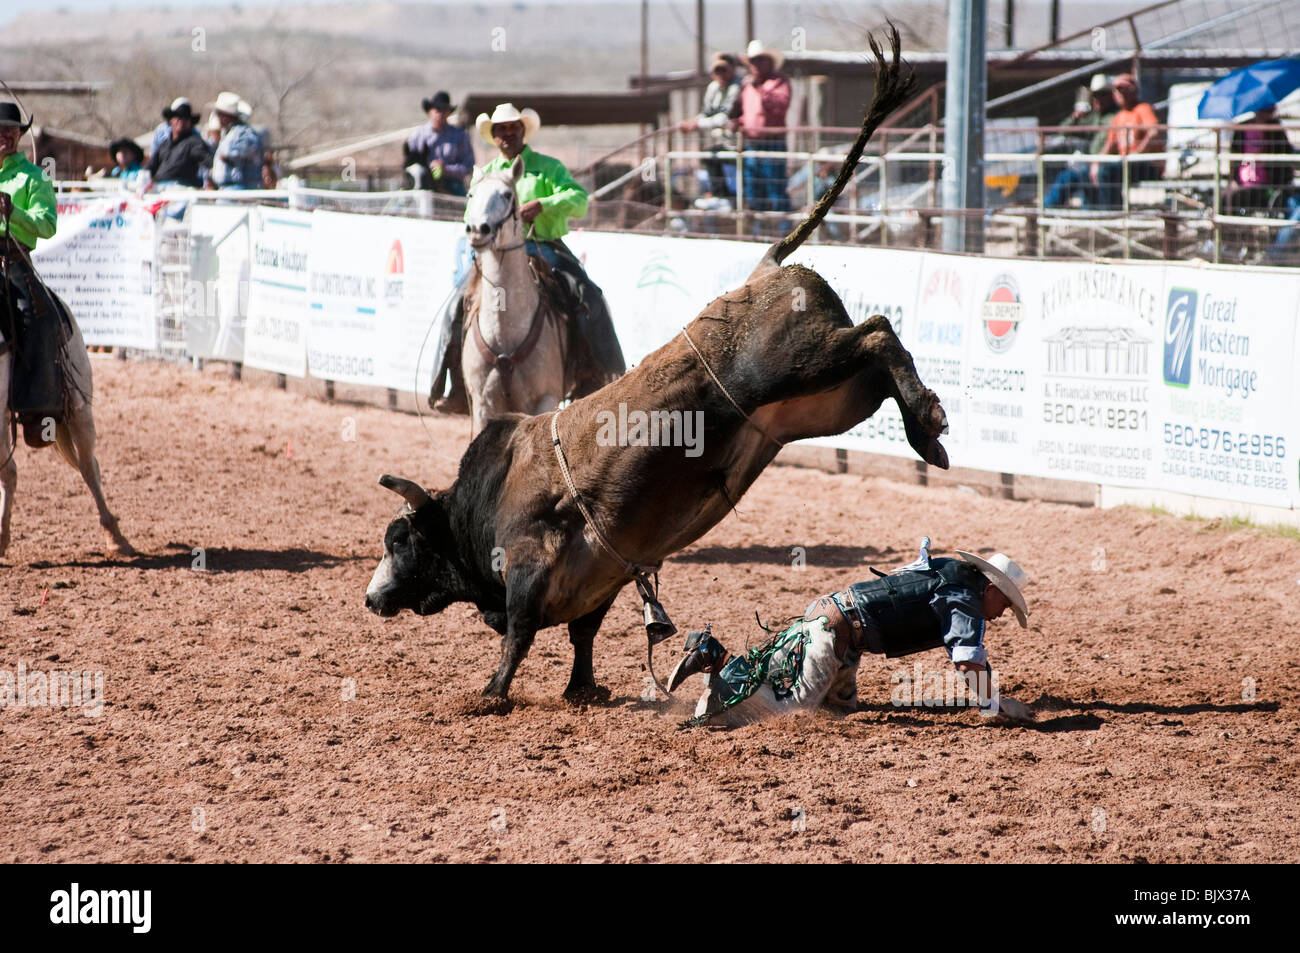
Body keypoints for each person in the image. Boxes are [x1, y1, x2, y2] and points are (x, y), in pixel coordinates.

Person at [665, 540, 1035, 727]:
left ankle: (720, 662)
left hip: (832, 621)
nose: (1001, 616)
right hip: (835, 633)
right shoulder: (965, 598)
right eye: (1004, 606)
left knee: (838, 710)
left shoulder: (952, 573)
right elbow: (967, 660)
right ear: (991, 590)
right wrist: (997, 706)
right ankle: (718, 657)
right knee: (794, 712)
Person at [428, 103, 625, 414]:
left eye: (512, 128)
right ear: (493, 136)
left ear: (522, 131)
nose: (507, 134)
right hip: (494, 254)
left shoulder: (548, 167)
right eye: (500, 130)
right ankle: (451, 384)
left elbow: (579, 200)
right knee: (457, 303)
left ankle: (598, 374)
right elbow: (471, 214)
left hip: (544, 246)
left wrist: (544, 204)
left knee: (587, 295)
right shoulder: (486, 175)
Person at [0, 101, 74, 439]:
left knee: (39, 318)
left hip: (13, 260)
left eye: (11, 130)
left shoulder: (34, 177)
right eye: (0, 130)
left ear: (19, 135)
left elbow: (46, 225)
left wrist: (13, 211)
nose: (5, 135)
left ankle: (38, 409)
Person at [1221, 106, 1300, 264]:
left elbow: (1285, 159)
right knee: (1225, 198)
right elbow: (1234, 157)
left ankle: (1273, 252)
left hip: (1269, 186)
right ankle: (1228, 243)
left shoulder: (1275, 129)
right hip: (1244, 184)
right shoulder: (1242, 128)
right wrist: (1234, 180)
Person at [1044, 75, 1117, 209]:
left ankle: (1089, 215)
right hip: (1089, 164)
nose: (1098, 99)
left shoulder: (1115, 116)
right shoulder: (1093, 117)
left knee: (1086, 174)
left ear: (1110, 95)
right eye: (1095, 95)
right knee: (1065, 177)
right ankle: (1042, 213)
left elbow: (1113, 142)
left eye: (1102, 94)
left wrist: (1096, 162)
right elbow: (1063, 130)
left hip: (1105, 165)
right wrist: (1076, 117)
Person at [736, 39, 792, 215]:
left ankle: (783, 234)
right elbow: (744, 112)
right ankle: (757, 232)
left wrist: (760, 90)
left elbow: (779, 106)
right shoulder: (747, 86)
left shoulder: (779, 82)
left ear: (769, 62)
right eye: (753, 61)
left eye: (760, 60)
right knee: (753, 190)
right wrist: (739, 122)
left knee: (775, 189)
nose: (756, 64)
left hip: (772, 143)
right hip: (752, 143)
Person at [1091, 73, 1162, 210]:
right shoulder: (1119, 117)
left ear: (1133, 91)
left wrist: (1138, 154)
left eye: (1123, 89)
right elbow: (1110, 145)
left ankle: (1111, 213)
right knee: (1090, 172)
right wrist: (1096, 164)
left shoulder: (1143, 109)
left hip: (1146, 166)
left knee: (1108, 172)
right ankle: (1100, 211)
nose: (1120, 93)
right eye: (1117, 90)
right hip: (1127, 164)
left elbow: (1154, 132)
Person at [681, 54, 742, 205]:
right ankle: (721, 196)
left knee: (740, 167)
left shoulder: (737, 87)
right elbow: (707, 113)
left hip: (740, 141)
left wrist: (697, 124)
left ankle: (730, 199)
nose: (720, 74)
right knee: (709, 157)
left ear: (732, 70)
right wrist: (694, 121)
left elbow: (724, 117)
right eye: (717, 70)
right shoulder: (713, 88)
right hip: (725, 141)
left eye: (723, 70)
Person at [404, 91, 475, 196]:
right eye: (437, 109)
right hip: (420, 182)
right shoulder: (418, 135)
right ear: (430, 111)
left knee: (464, 204)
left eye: (444, 110)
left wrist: (446, 169)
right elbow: (409, 161)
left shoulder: (460, 136)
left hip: (451, 183)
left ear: (449, 112)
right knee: (399, 205)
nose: (440, 113)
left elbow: (468, 166)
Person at [146, 99, 212, 189]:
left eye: (186, 118)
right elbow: (150, 167)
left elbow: (208, 161)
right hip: (159, 189)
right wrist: (144, 176)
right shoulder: (165, 145)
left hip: (180, 189)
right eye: (178, 117)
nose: (181, 121)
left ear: (190, 122)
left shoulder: (194, 143)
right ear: (171, 120)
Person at [208, 92, 264, 190]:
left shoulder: (244, 132)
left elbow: (251, 148)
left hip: (240, 186)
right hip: (227, 187)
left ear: (226, 116)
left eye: (219, 114)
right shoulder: (228, 133)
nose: (217, 117)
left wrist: (229, 155)